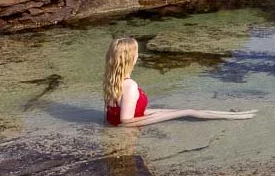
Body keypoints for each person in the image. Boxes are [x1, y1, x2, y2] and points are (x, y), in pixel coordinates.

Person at [103, 36, 257, 127]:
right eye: (137, 53)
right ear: (131, 58)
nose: (138, 56)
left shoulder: (112, 80)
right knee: (189, 112)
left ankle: (234, 115)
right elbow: (126, 121)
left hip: (131, 116)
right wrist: (177, 114)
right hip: (130, 126)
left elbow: (117, 113)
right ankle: (236, 117)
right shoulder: (129, 85)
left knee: (188, 110)